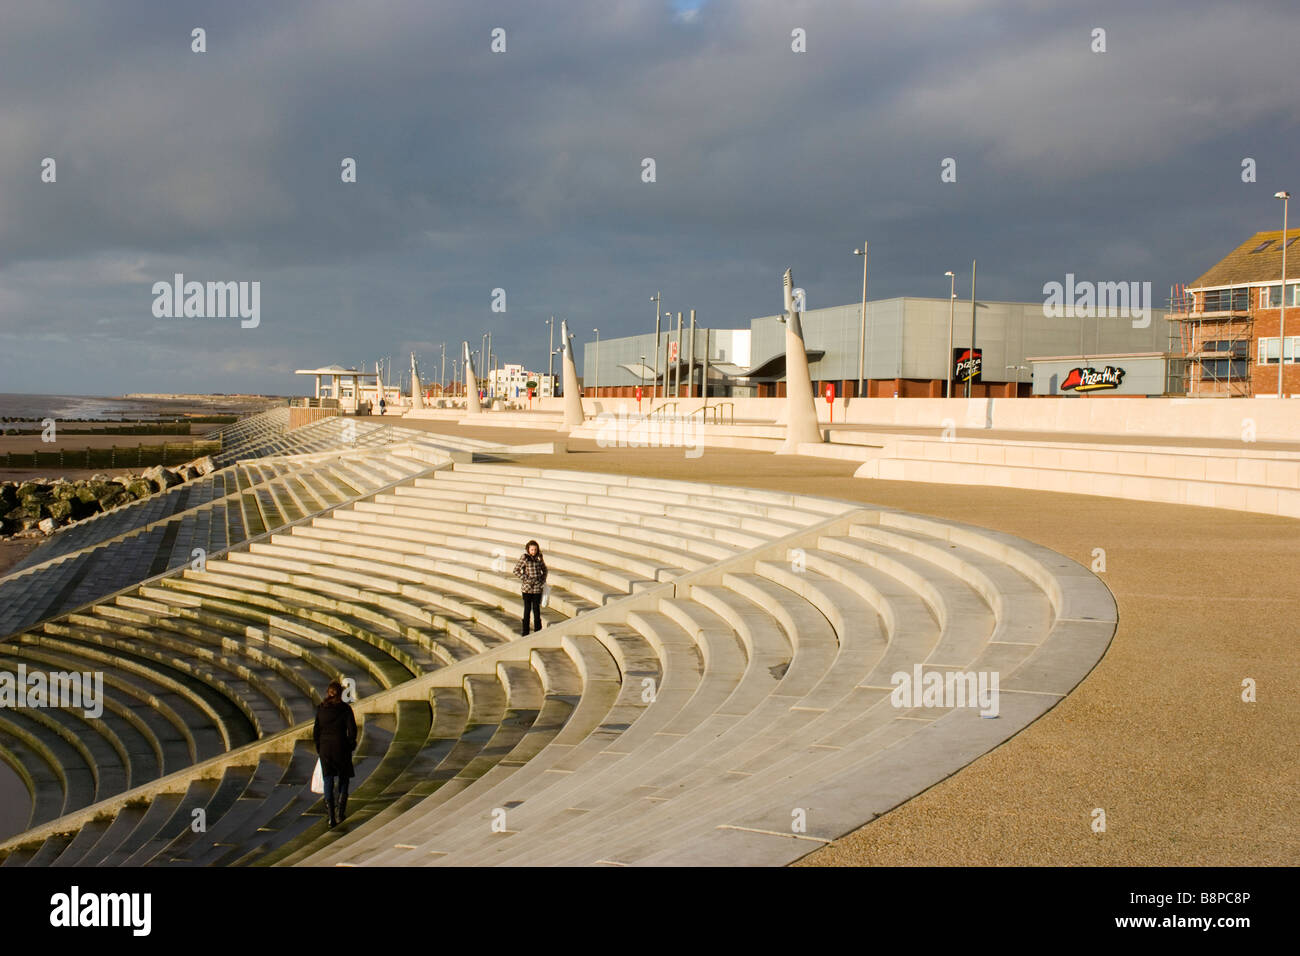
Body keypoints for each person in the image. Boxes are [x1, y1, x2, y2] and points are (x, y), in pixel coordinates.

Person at [313, 679, 357, 828]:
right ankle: (341, 812)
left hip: (325, 749)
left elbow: (316, 732)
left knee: (328, 780)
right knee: (344, 778)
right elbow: (352, 731)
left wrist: (319, 748)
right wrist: (350, 745)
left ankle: (331, 816)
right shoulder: (345, 709)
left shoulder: (321, 709)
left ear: (328, 693)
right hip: (341, 747)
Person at [512, 539, 548, 636]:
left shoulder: (539, 558)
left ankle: (538, 630)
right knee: (527, 610)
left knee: (536, 609)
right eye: (532, 549)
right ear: (528, 549)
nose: (534, 551)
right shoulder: (524, 558)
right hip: (527, 589)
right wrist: (526, 579)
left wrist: (541, 581)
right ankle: (525, 631)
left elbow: (545, 570)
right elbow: (516, 570)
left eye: (535, 549)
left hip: (537, 588)